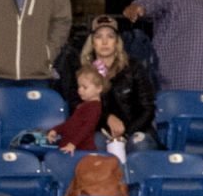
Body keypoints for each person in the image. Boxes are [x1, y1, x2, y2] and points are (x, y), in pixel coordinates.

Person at [56, 16, 155, 150]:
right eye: (98, 37)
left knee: (140, 143)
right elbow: (77, 106)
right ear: (92, 42)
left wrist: (125, 132)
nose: (104, 42)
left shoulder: (133, 67)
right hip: (98, 130)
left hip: (135, 128)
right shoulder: (82, 71)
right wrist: (106, 118)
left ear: (117, 42)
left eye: (110, 36)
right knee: (96, 142)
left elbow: (148, 108)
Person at [49, 67, 108, 154]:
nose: (79, 90)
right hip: (71, 147)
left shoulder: (94, 108)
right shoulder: (84, 106)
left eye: (84, 87)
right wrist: (56, 130)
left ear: (98, 89)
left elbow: (86, 128)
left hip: (81, 150)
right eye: (79, 86)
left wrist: (73, 144)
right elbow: (71, 123)